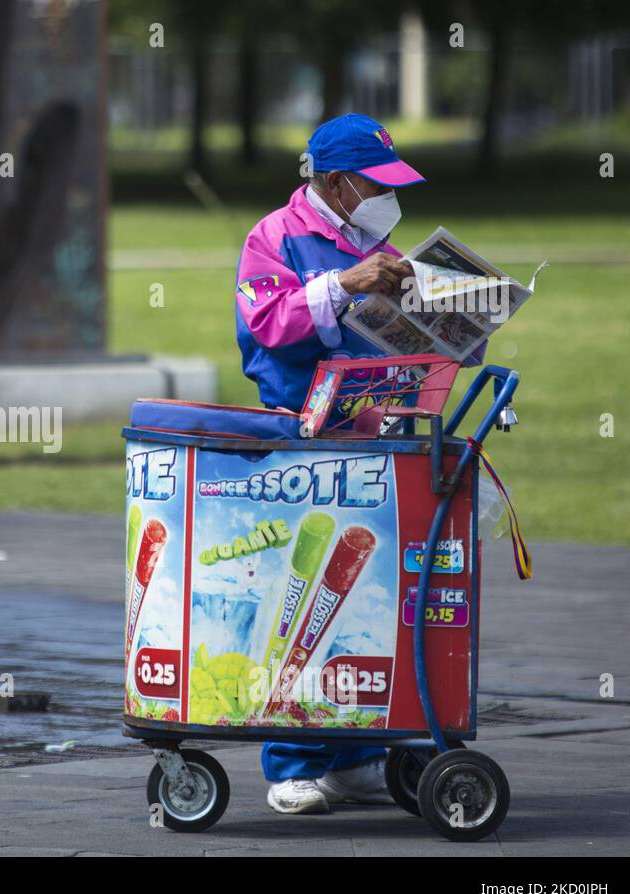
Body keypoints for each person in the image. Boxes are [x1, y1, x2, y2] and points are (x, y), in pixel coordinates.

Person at [232, 113, 421, 815]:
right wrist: (345, 283)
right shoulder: (273, 237)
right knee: (298, 597)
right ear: (337, 184)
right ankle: (292, 763)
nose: (386, 197)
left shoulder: (377, 242)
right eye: (377, 184)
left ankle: (356, 754)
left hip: (369, 437)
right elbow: (268, 325)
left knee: (363, 598)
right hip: (300, 444)